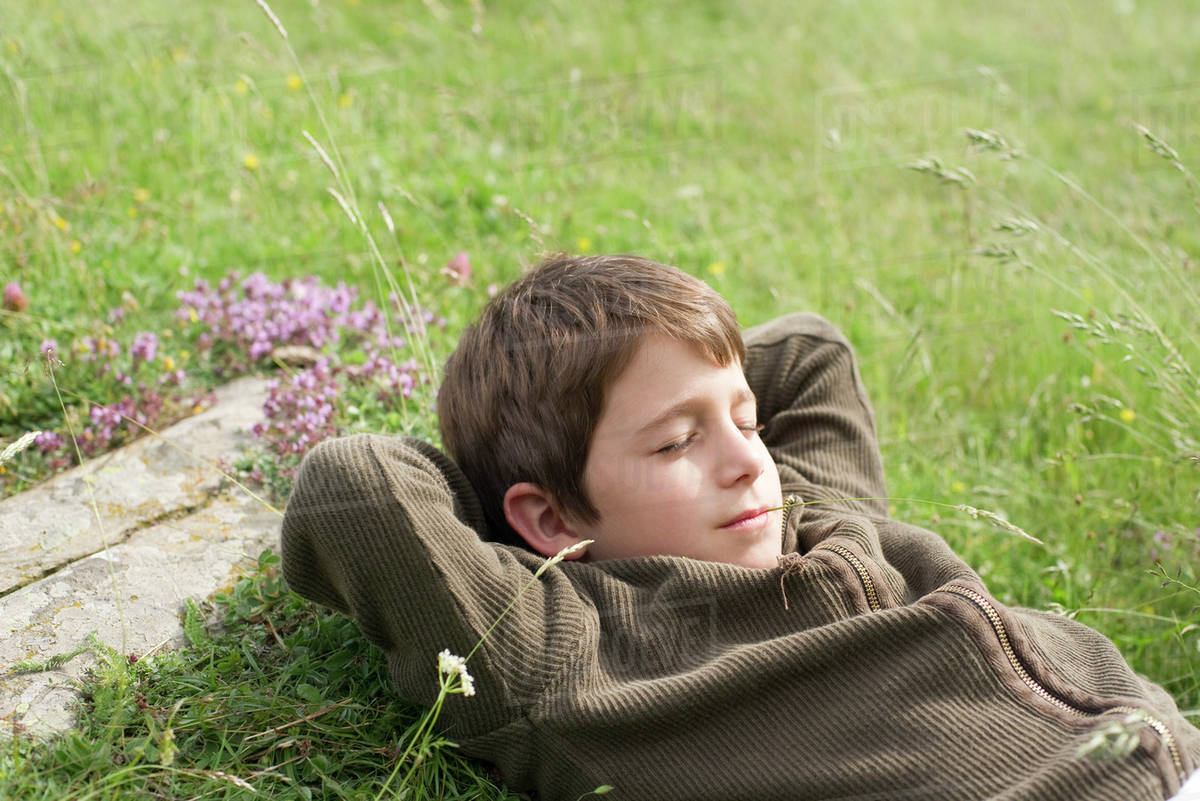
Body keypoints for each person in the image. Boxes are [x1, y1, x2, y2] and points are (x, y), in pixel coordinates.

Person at [281, 254, 1200, 800]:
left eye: (747, 418)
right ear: (548, 514)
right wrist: (538, 510)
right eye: (678, 439)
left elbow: (809, 351)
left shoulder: (801, 513)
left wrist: (661, 359)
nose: (746, 458)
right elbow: (356, 484)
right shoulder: (568, 652)